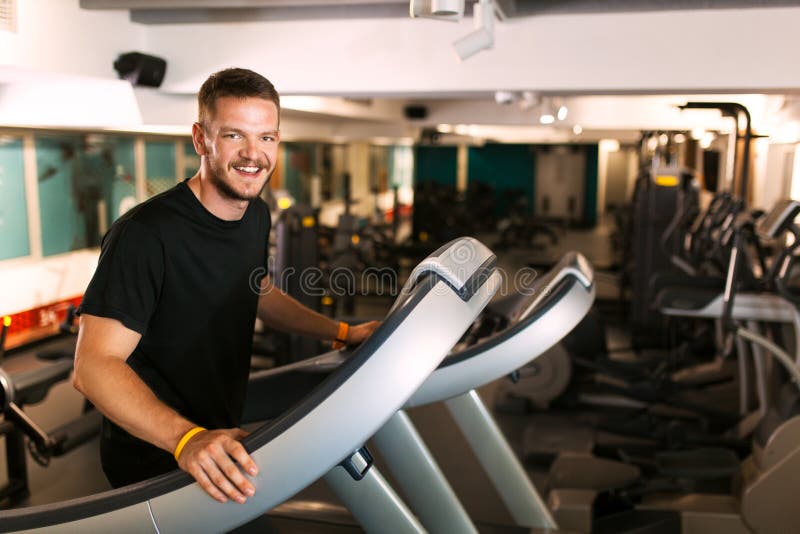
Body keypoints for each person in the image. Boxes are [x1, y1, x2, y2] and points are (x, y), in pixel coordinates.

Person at [73, 67, 379, 505]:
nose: (253, 154)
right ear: (201, 139)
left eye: (267, 137)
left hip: (220, 436)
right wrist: (186, 439)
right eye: (235, 135)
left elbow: (256, 291)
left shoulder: (254, 213)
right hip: (158, 456)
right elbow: (93, 366)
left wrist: (342, 333)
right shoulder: (145, 234)